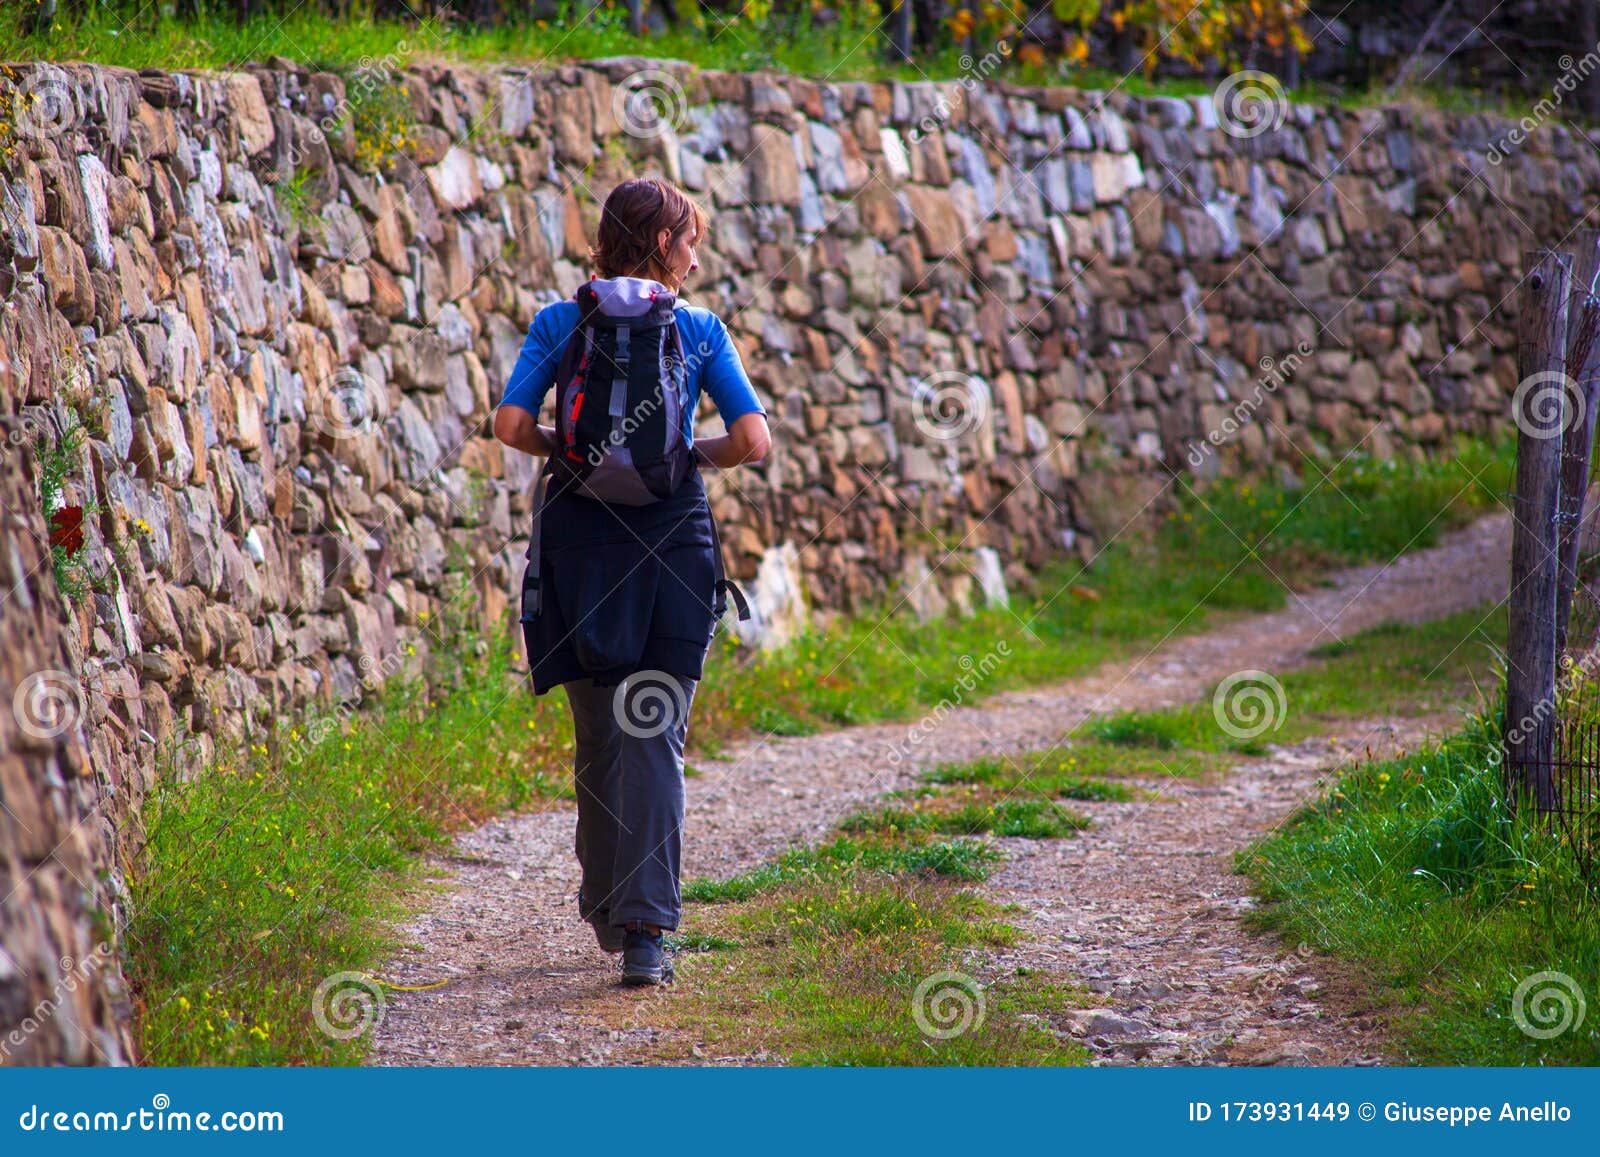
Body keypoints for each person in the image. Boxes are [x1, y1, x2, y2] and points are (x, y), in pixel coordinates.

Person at [492, 177, 771, 986]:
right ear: (659, 244)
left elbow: (511, 426)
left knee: (600, 733)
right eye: (690, 242)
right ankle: (648, 933)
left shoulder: (560, 322)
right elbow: (751, 440)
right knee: (654, 729)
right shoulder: (699, 329)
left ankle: (608, 904)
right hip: (671, 547)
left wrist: (580, 456)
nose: (696, 258)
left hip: (579, 546)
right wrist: (679, 458)